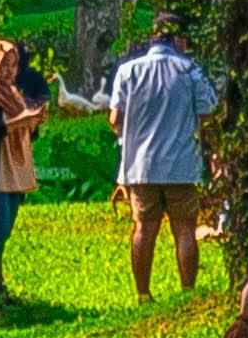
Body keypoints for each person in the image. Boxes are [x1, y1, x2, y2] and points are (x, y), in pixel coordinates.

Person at [92, 21, 222, 297]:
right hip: (181, 165)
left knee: (143, 229)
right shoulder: (190, 71)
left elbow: (114, 119)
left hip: (141, 166)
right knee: (184, 229)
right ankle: (187, 291)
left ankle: (143, 294)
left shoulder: (128, 71)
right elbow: (208, 114)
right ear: (177, 40)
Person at [0, 36, 51, 278]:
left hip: (15, 170)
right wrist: (20, 121)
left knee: (7, 227)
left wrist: (34, 121)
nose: (9, 71)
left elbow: (27, 132)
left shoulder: (13, 93)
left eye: (13, 65)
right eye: (3, 65)